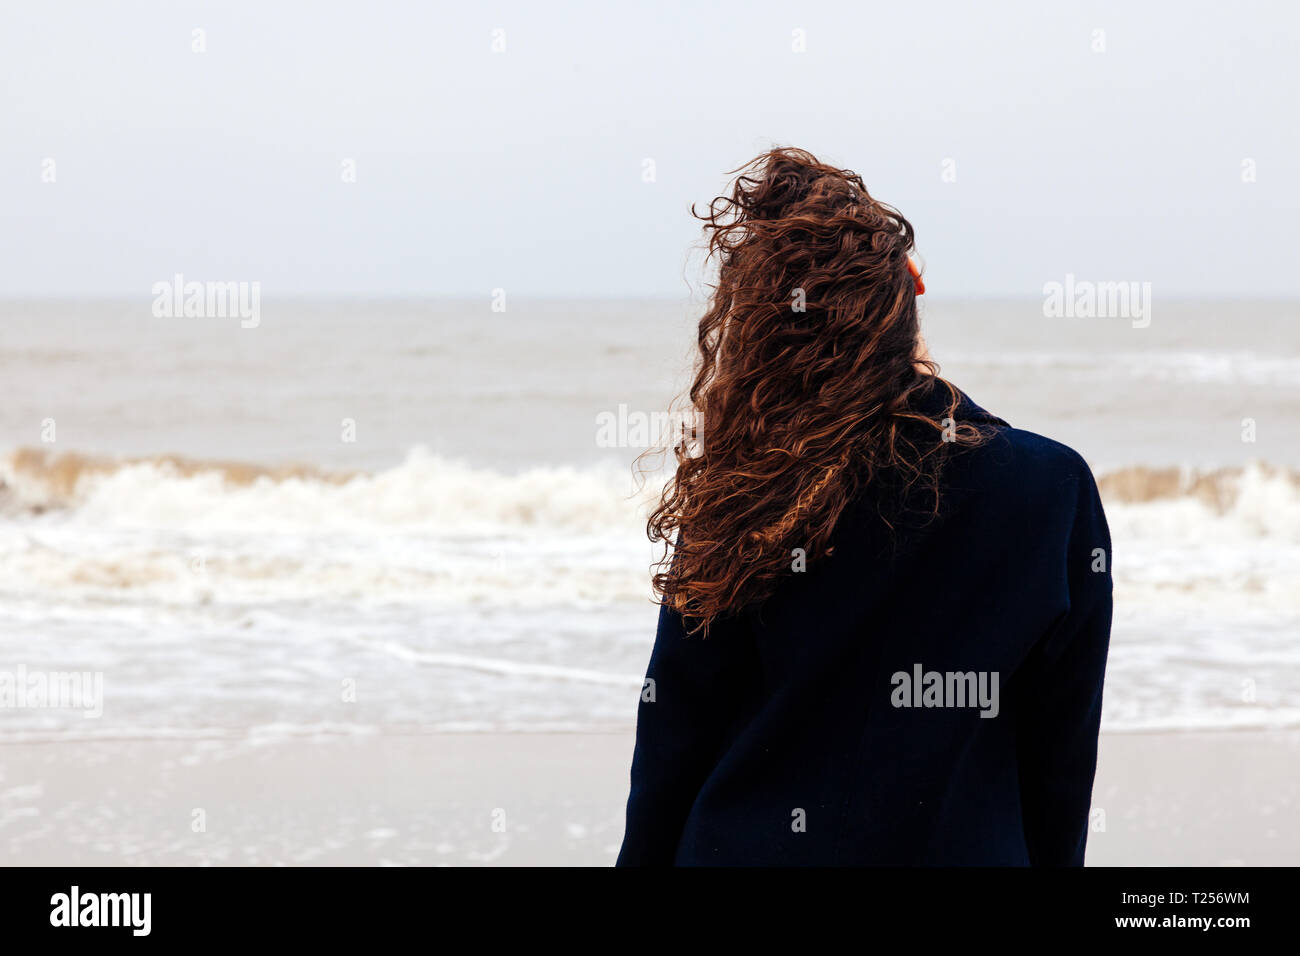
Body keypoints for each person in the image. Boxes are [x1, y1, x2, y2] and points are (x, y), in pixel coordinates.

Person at [616, 148, 1112, 866]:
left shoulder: (747, 485)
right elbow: (1059, 758)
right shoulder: (1050, 487)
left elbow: (674, 739)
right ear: (908, 297)